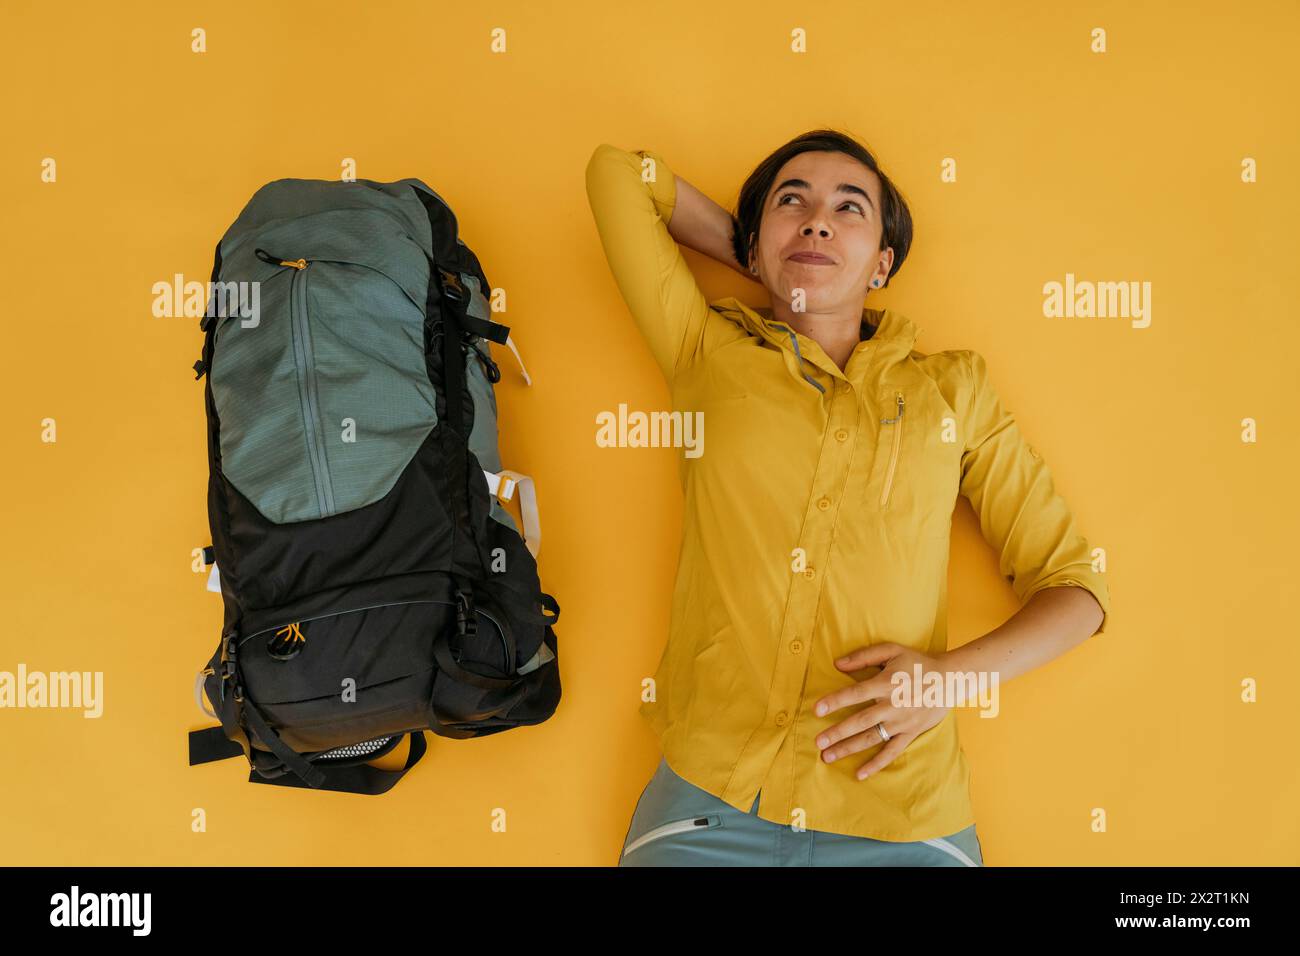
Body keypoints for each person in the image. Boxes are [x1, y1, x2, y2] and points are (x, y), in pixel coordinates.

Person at [584, 130, 1111, 866]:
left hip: (904, 818)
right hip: (711, 805)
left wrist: (947, 682)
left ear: (884, 263)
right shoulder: (705, 352)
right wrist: (769, 257)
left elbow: (1078, 592)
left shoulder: (951, 390)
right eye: (791, 202)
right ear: (753, 243)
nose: (817, 220)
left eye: (849, 209)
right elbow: (618, 174)